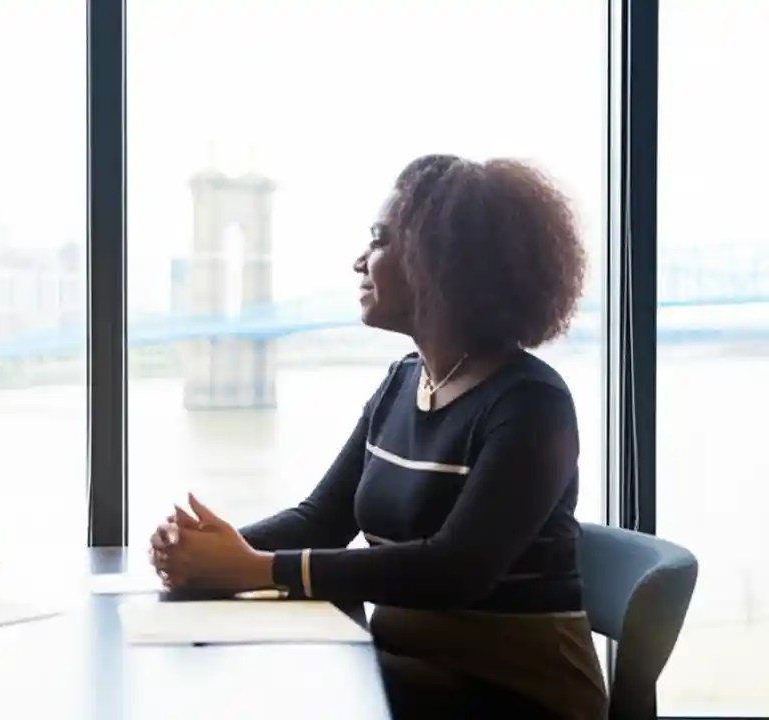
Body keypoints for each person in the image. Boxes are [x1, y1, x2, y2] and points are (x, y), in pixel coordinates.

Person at [148, 155, 607, 719]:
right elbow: (322, 519)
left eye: (379, 240)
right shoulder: (404, 381)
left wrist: (251, 568)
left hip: (517, 695)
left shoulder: (532, 403)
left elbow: (455, 570)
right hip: (407, 671)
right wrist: (211, 551)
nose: (359, 261)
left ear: (440, 262)